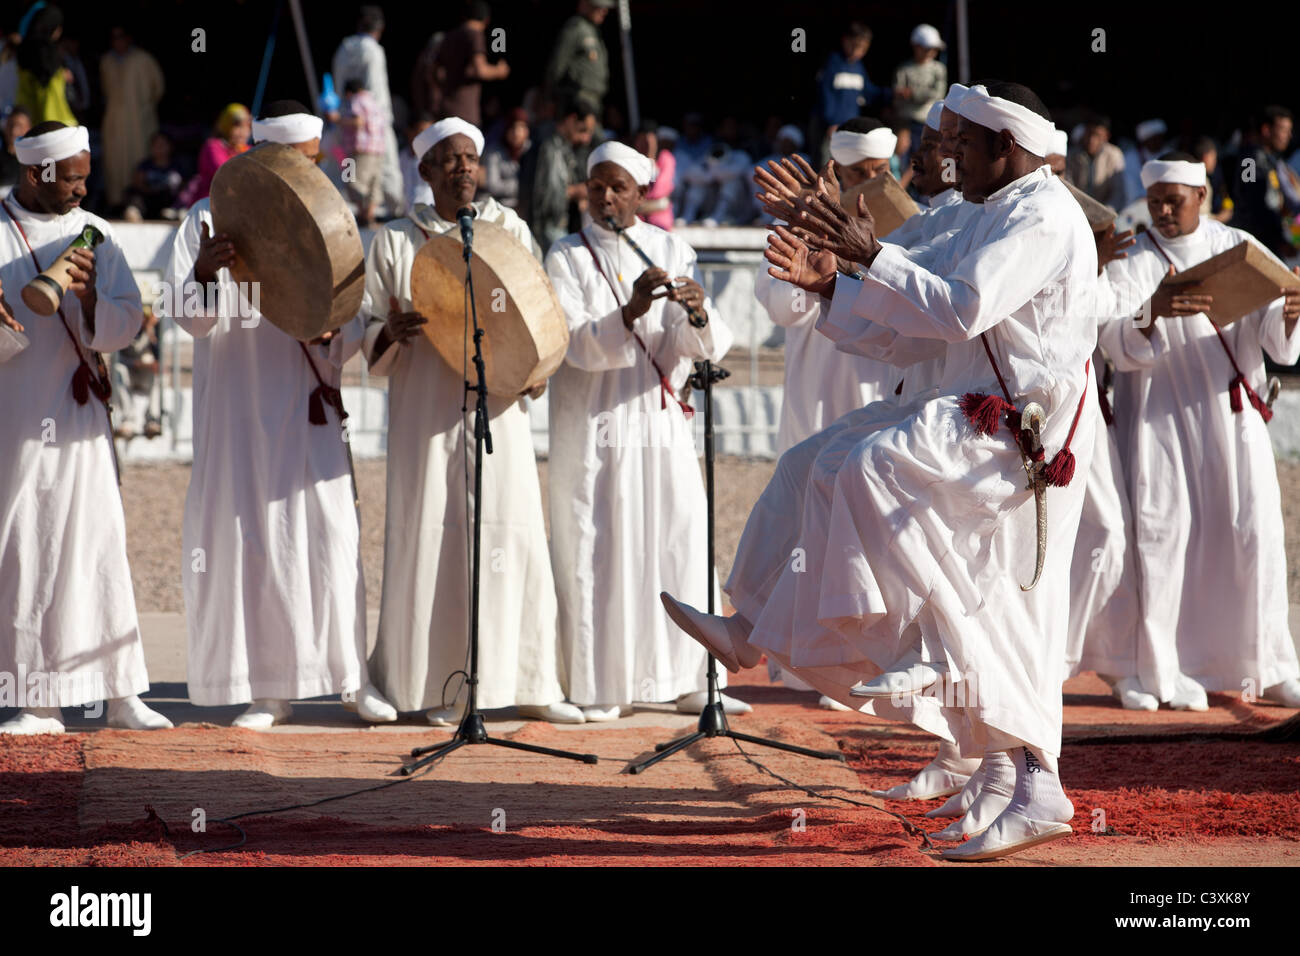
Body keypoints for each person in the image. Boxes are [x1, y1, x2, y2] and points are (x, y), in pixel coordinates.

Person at [667, 81, 1099, 860]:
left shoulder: (1044, 214)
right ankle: (752, 625)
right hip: (961, 407)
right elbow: (907, 329)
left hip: (1020, 431)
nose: (944, 154)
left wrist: (869, 252)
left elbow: (959, 307)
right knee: (812, 464)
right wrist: (835, 281)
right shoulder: (969, 211)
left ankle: (938, 684)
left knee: (880, 477)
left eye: (960, 142)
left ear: (1006, 146)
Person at [160, 102, 393, 729]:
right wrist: (206, 274)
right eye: (298, 164)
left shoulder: (332, 219)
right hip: (238, 407)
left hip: (308, 404)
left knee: (332, 538)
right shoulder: (206, 219)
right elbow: (187, 319)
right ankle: (267, 690)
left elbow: (348, 315)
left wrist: (337, 338)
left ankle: (349, 678)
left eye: (314, 163)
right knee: (257, 543)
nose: (308, 174)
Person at [363, 117, 582, 725]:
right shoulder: (394, 242)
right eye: (449, 158)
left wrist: (535, 364)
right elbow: (365, 330)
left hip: (499, 410)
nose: (463, 167)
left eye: (471, 158)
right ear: (426, 170)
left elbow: (540, 312)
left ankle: (530, 683)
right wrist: (388, 332)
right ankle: (437, 687)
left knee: (511, 535)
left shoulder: (507, 228)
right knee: (432, 535)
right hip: (425, 413)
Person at [544, 140, 745, 719]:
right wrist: (629, 310)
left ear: (640, 194)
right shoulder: (566, 254)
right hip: (596, 425)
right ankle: (602, 683)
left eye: (619, 188)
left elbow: (694, 348)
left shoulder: (671, 247)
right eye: (598, 185)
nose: (606, 196)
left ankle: (689, 676)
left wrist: (698, 313)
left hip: (659, 426)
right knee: (600, 543)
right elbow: (573, 345)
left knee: (675, 537)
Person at [1094, 153, 1300, 710]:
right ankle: (1160, 669)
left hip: (1231, 418)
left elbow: (1277, 344)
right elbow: (1109, 337)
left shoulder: (1240, 250)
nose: (1162, 210)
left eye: (1174, 201)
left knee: (1252, 534)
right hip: (1157, 416)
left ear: (1202, 197)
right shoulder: (1133, 259)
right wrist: (1151, 313)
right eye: (1156, 199)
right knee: (1162, 536)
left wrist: (1290, 312)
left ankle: (1268, 664)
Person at [0, 122, 170, 733]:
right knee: (27, 546)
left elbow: (128, 324)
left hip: (79, 416)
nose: (81, 188)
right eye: (70, 177)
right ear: (34, 173)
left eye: (84, 175)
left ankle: (120, 693)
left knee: (99, 544)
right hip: (14, 417)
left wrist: (97, 300)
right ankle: (37, 701)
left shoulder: (95, 232)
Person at [332, 6, 404, 217]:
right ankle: (397, 212)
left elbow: (338, 86)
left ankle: (348, 212)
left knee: (347, 166)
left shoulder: (343, 49)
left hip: (347, 120)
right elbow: (375, 88)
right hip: (372, 123)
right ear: (379, 28)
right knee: (386, 167)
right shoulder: (372, 50)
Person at [99, 25, 164, 210]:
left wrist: (143, 108)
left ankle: (140, 203)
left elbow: (157, 88)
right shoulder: (107, 61)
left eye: (121, 37)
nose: (117, 42)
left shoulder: (144, 60)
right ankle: (117, 203)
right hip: (114, 122)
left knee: (140, 158)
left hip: (140, 121)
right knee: (115, 165)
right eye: (114, 38)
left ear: (129, 39)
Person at [524, 92, 597, 253]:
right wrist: (575, 191)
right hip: (546, 230)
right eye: (582, 130)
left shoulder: (566, 146)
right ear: (571, 120)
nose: (586, 138)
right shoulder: (548, 145)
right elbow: (543, 198)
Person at [1226, 106, 1298, 258]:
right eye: (1284, 130)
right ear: (1266, 130)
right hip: (1253, 243)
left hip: (1268, 242)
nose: (1288, 136)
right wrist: (1278, 239)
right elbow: (1250, 201)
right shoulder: (1249, 160)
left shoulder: (1273, 161)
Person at [813, 22, 884, 164]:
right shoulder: (832, 63)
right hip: (829, 128)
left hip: (849, 129)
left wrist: (892, 94)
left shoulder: (858, 67)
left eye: (863, 49)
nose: (857, 52)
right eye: (855, 46)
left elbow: (868, 92)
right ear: (845, 40)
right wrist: (832, 122)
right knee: (825, 165)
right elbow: (826, 95)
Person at [435, 1, 509, 128]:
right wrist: (499, 70)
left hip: (445, 108)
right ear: (486, 20)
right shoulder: (474, 35)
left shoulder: (448, 37)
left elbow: (435, 72)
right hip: (465, 110)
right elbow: (479, 69)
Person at [176, 103, 250, 209]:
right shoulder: (213, 146)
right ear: (226, 125)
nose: (243, 132)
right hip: (211, 205)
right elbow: (225, 172)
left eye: (247, 126)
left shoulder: (249, 149)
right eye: (238, 126)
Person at [545, 0, 613, 110]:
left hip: (594, 99)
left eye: (605, 8)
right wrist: (549, 98)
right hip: (576, 99)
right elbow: (557, 65)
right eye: (599, 7)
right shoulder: (575, 28)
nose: (604, 11)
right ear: (584, 5)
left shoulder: (594, 30)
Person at [14, 5, 75, 125]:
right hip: (53, 123)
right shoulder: (49, 54)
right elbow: (52, 97)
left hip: (27, 123)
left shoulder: (22, 51)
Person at [340, 77, 386, 227]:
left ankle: (363, 214)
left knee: (352, 180)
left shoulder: (356, 100)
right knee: (374, 182)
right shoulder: (374, 102)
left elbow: (358, 121)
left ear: (348, 92)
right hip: (378, 149)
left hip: (361, 149)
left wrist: (337, 120)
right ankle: (369, 215)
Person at [892, 25, 947, 146]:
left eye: (934, 49)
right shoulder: (904, 68)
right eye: (926, 48)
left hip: (929, 122)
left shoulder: (939, 69)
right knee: (903, 155)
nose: (931, 52)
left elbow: (938, 93)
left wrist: (912, 93)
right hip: (904, 123)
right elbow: (897, 93)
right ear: (915, 46)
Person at [121, 131, 182, 222]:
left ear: (170, 147)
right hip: (148, 200)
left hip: (168, 202)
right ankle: (134, 213)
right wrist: (152, 190)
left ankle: (174, 214)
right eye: (156, 145)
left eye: (163, 145)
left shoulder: (177, 166)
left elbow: (184, 187)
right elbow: (137, 183)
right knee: (133, 195)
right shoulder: (145, 165)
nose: (159, 148)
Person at [1066, 114, 1125, 208]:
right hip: (1077, 210)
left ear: (1106, 136)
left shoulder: (1114, 155)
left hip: (1106, 213)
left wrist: (1106, 214)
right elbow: (1068, 187)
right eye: (1088, 134)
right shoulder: (1071, 155)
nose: (1091, 140)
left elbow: (1118, 193)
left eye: (1097, 135)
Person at [481, 106, 528, 208]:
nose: (516, 133)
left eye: (521, 127)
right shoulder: (494, 152)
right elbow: (493, 185)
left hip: (527, 206)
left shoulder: (531, 151)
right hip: (501, 206)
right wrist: (522, 186)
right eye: (513, 128)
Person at [633, 120, 674, 230]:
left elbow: (658, 191)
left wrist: (650, 160)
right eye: (641, 140)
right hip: (637, 224)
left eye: (649, 140)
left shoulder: (665, 158)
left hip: (660, 224)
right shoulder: (631, 162)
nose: (645, 145)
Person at [1120, 118, 1167, 207]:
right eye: (1154, 139)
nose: (1158, 142)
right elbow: (1131, 190)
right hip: (1136, 206)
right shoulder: (1131, 158)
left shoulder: (1169, 154)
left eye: (1160, 138)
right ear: (1145, 141)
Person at [0, 104, 31, 191]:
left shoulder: (37, 161)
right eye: (10, 125)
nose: (14, 131)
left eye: (20, 126)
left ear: (29, 128)